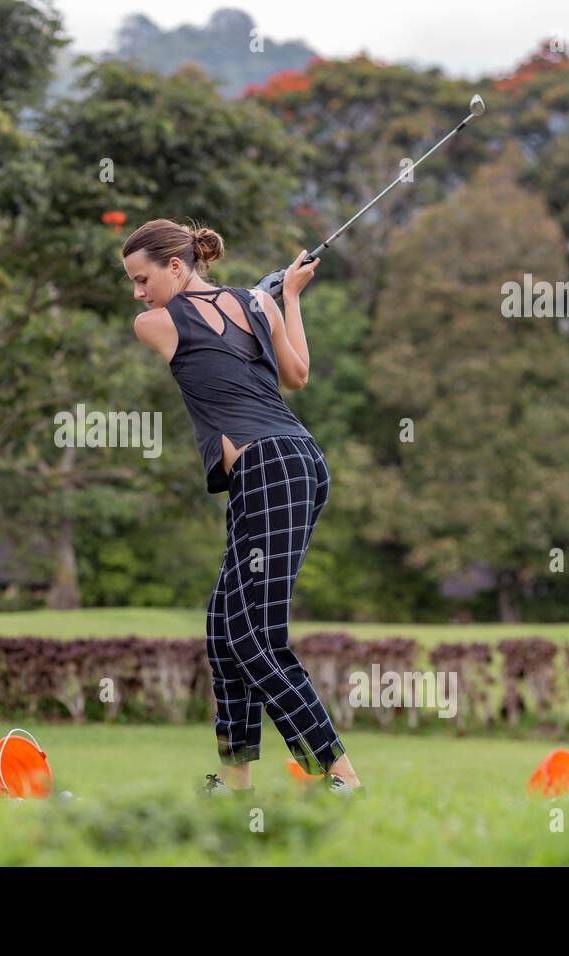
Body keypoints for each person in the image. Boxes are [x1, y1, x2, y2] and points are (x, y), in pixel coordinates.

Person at [121, 217, 364, 798]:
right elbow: (296, 373)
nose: (137, 294)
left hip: (267, 470)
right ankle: (235, 783)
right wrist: (284, 299)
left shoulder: (154, 323)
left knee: (257, 638)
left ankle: (339, 775)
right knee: (224, 627)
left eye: (142, 277)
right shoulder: (257, 304)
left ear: (175, 267)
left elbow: (252, 358)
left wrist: (271, 296)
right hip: (298, 463)